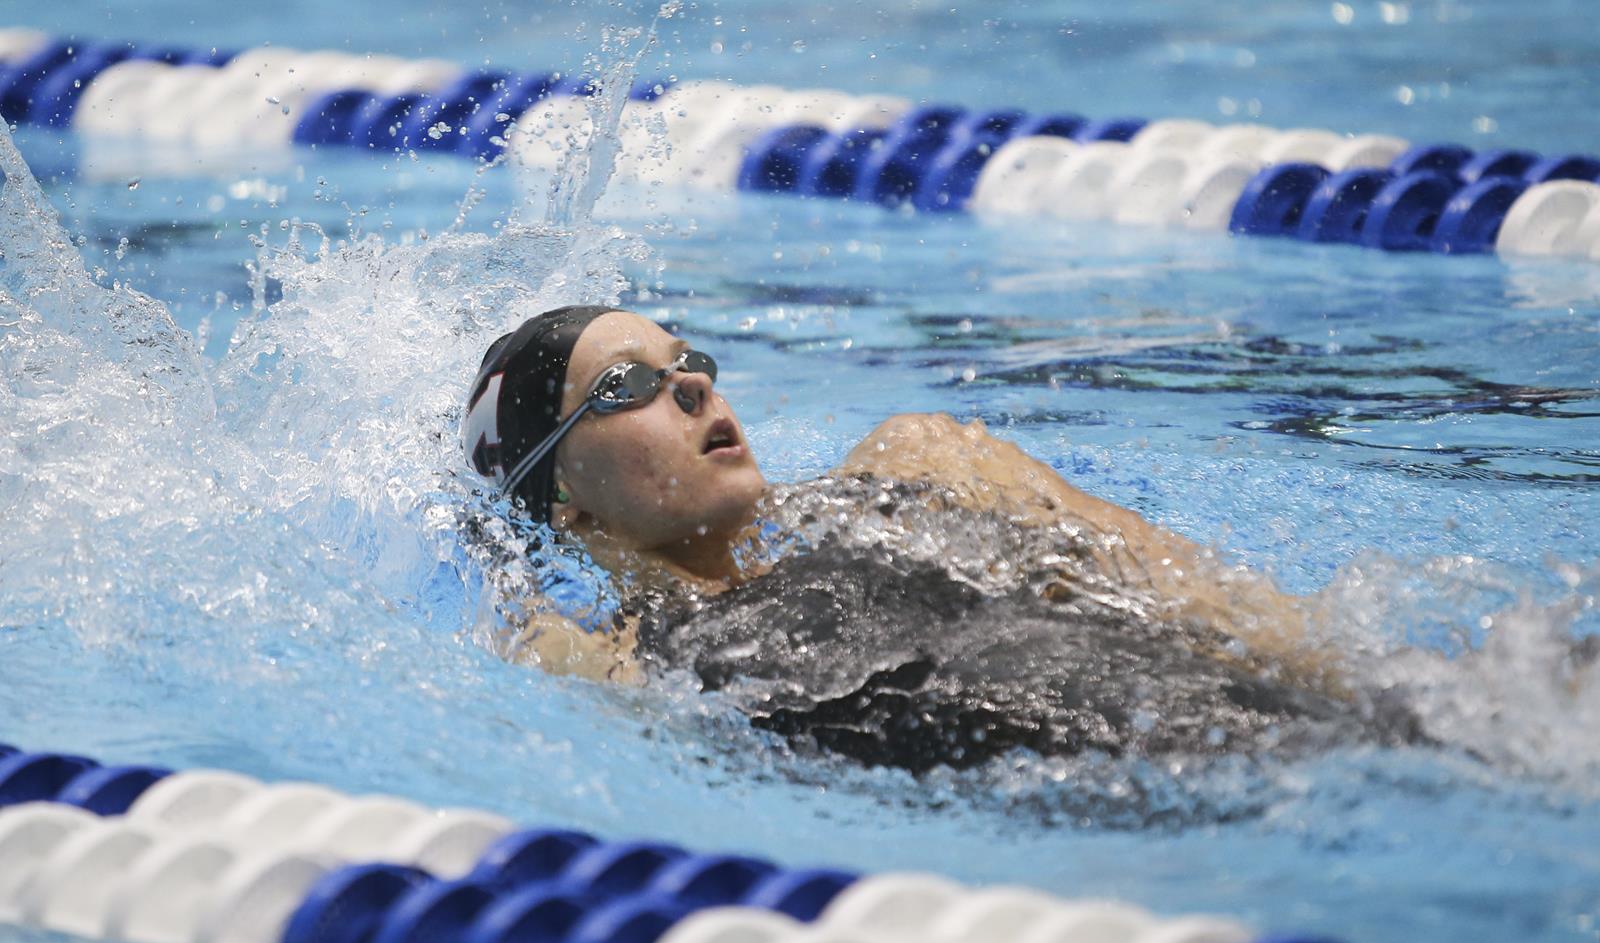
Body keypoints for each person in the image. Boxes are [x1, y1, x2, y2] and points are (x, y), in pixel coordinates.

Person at [464, 305, 1416, 771]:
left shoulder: (902, 480)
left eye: (689, 360)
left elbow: (1208, 600)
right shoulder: (620, 655)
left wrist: (1367, 687)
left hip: (1270, 730)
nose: (694, 386)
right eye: (625, 387)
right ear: (567, 507)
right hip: (1175, 784)